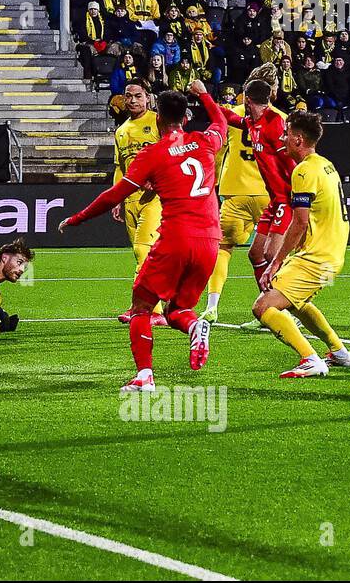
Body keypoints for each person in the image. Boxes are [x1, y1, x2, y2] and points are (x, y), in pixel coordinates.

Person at [59, 81, 228, 391]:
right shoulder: (205, 142)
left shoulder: (153, 154)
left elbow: (114, 195)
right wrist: (204, 93)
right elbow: (220, 122)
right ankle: (195, 326)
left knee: (141, 308)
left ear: (158, 118)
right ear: (186, 118)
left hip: (177, 237)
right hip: (210, 241)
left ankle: (144, 376)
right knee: (179, 309)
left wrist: (77, 218)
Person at [251, 110, 350, 377]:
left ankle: (310, 359)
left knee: (263, 307)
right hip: (330, 255)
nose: (283, 138)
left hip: (317, 258)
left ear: (298, 139)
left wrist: (275, 263)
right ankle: (338, 352)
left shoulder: (303, 171)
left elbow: (299, 222)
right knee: (297, 302)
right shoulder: (326, 165)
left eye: (287, 134)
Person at [202, 65, 279, 322]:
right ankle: (280, 306)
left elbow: (219, 151)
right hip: (270, 196)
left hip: (236, 192)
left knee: (223, 248)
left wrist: (212, 185)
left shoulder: (237, 115)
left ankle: (212, 305)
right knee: (277, 254)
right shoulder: (280, 118)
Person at [109, 79, 164, 325]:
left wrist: (159, 179)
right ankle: (147, 305)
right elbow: (120, 168)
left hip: (156, 197)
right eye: (128, 96)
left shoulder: (158, 122)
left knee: (143, 249)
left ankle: (152, 310)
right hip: (131, 199)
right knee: (142, 254)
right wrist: (116, 197)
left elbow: (174, 152)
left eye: (138, 96)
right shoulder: (121, 131)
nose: (132, 100)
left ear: (148, 97)